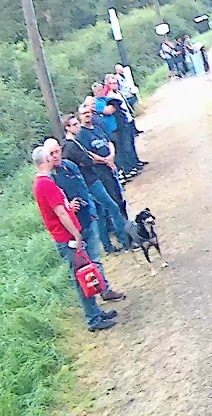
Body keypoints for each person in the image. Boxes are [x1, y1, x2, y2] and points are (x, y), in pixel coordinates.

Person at [32, 145, 123, 332]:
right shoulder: (46, 184)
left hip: (67, 236)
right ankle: (93, 319)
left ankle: (96, 312)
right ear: (46, 160)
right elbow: (61, 212)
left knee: (86, 273)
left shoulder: (44, 182)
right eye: (50, 155)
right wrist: (76, 233)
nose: (54, 157)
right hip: (67, 238)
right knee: (81, 277)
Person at [45, 138, 129, 295]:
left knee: (96, 260)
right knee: (81, 269)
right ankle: (93, 310)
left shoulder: (70, 166)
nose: (55, 156)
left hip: (87, 219)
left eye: (57, 151)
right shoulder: (50, 178)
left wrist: (91, 211)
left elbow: (84, 188)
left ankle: (105, 290)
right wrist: (68, 205)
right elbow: (54, 206)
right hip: (70, 228)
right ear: (46, 156)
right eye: (51, 153)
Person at [63, 114, 130, 252]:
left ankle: (107, 246)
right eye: (74, 125)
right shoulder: (70, 146)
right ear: (67, 128)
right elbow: (86, 160)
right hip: (90, 182)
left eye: (77, 124)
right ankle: (124, 240)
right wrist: (94, 161)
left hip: (89, 180)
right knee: (113, 208)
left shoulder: (74, 143)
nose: (78, 127)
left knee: (100, 214)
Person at [75, 106, 128, 219]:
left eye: (88, 112)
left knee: (119, 196)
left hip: (111, 167)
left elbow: (109, 142)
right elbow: (87, 153)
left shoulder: (97, 129)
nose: (87, 115)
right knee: (112, 199)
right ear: (80, 116)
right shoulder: (81, 135)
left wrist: (111, 156)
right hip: (100, 171)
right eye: (84, 113)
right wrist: (104, 160)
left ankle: (127, 223)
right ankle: (121, 227)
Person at [94, 82, 140, 176]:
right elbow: (108, 111)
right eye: (98, 91)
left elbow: (117, 103)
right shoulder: (97, 103)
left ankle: (129, 167)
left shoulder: (105, 99)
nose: (100, 92)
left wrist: (113, 105)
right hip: (110, 129)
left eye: (101, 89)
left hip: (118, 126)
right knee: (118, 151)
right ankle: (123, 171)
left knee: (124, 148)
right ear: (94, 93)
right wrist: (114, 106)